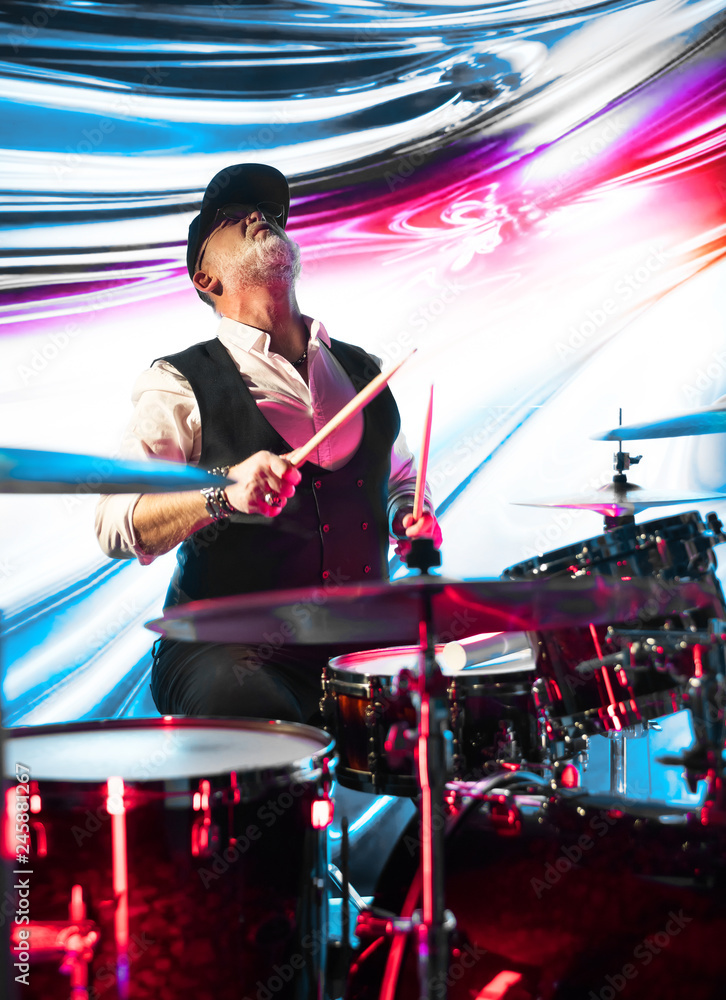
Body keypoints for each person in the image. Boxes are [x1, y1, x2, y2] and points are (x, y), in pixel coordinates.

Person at [96, 162, 441, 724]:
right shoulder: (179, 383)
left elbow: (402, 480)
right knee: (253, 712)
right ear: (206, 278)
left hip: (359, 648)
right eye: (232, 219)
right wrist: (222, 493)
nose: (259, 216)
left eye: (268, 213)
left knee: (470, 702)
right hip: (223, 653)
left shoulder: (363, 370)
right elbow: (115, 523)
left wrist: (409, 515)